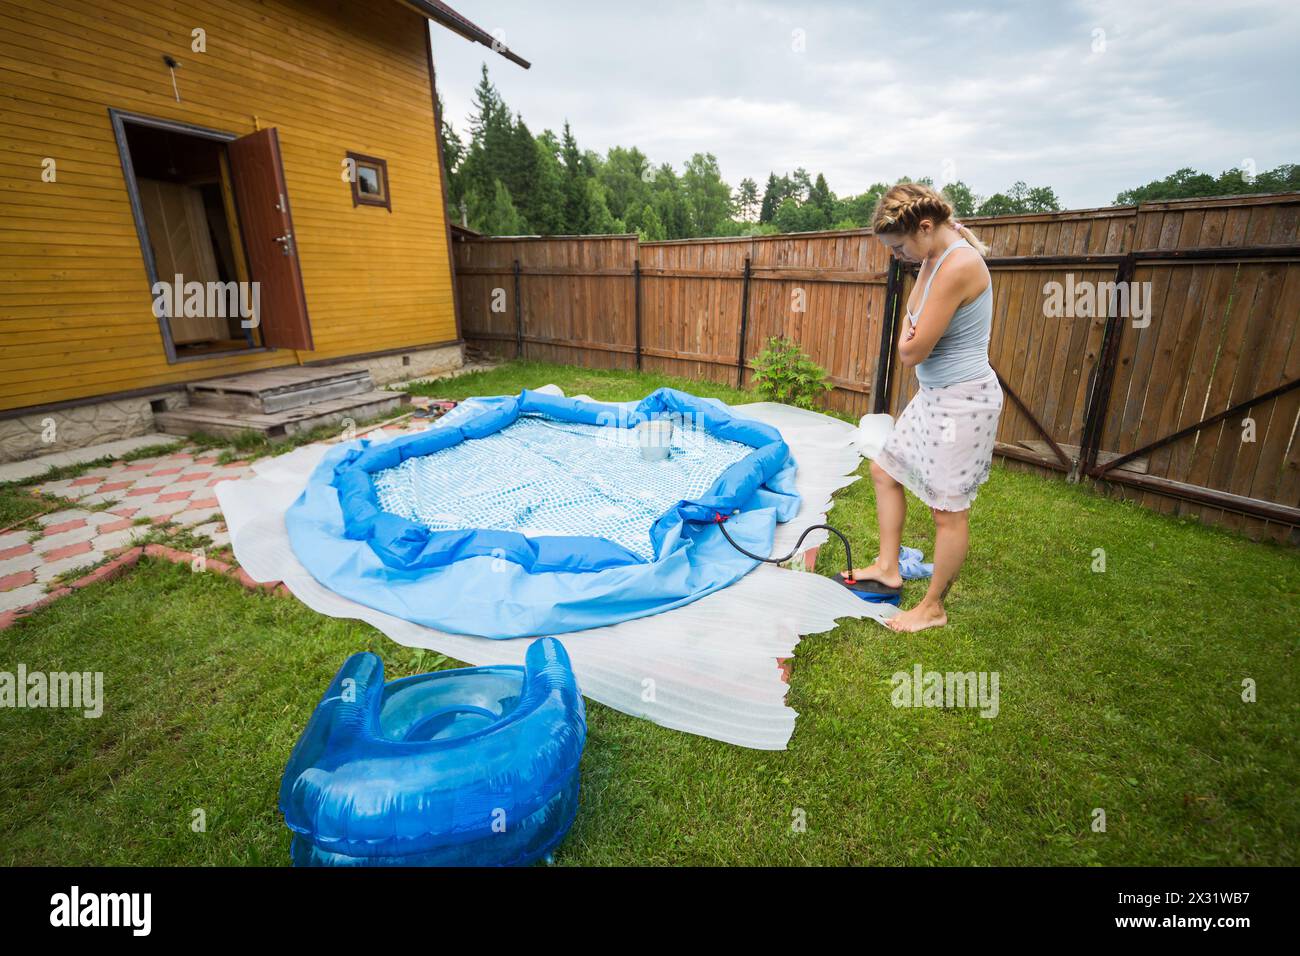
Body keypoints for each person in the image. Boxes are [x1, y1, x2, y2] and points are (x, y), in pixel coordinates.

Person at [842, 182, 1002, 632]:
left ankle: (933, 609)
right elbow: (912, 331)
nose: (897, 256)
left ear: (925, 227)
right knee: (884, 470)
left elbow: (910, 351)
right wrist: (910, 328)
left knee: (947, 512)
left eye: (899, 246)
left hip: (963, 402)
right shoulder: (934, 253)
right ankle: (888, 569)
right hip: (935, 395)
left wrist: (908, 332)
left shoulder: (957, 265)